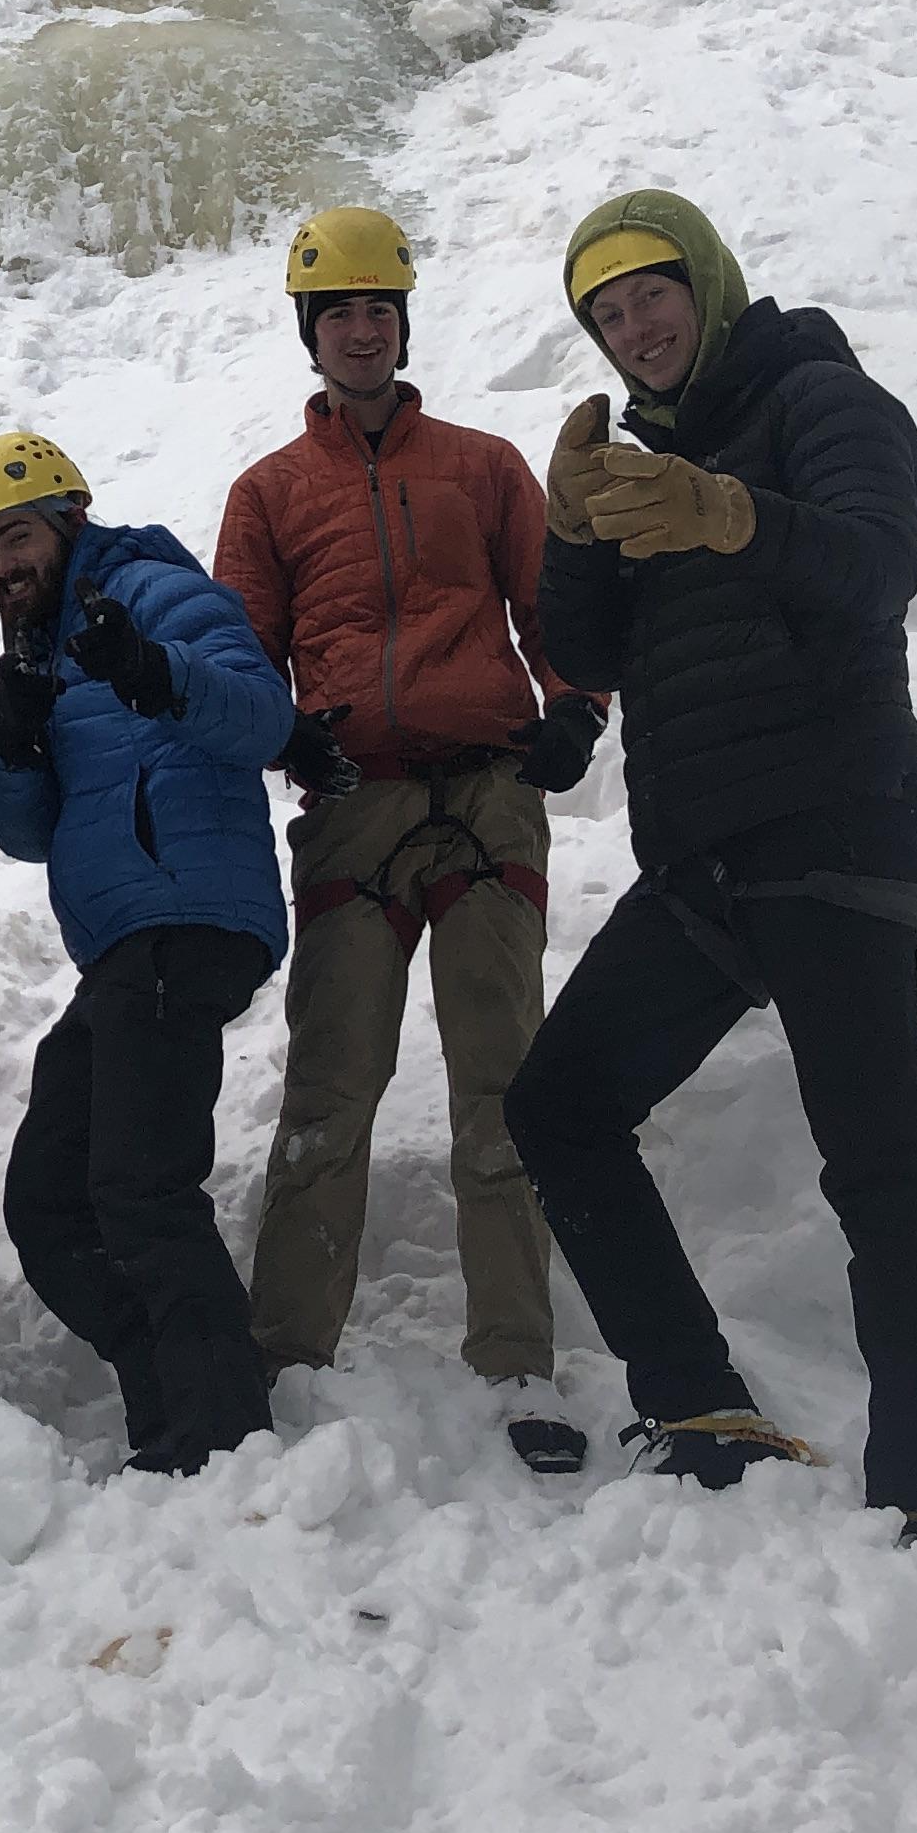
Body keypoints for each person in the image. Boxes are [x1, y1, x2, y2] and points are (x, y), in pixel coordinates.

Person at [501, 193, 917, 1529]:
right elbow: (590, 658)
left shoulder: (822, 398)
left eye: (650, 292)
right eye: (605, 314)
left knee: (876, 1160)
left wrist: (727, 512)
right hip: (704, 868)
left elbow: (878, 561)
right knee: (558, 1107)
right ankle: (696, 1399)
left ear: (707, 281)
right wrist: (578, 528)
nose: (634, 327)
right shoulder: (644, 453)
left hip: (831, 835)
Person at [214, 207, 610, 1474]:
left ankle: (518, 1358)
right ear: (310, 334)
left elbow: (556, 610)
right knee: (332, 1089)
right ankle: (286, 1352)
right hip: (353, 802)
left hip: (488, 792)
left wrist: (575, 711)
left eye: (380, 308)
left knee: (507, 1085)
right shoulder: (271, 492)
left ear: (404, 321)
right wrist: (287, 740)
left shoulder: (485, 466)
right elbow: (239, 650)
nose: (363, 329)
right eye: (340, 313)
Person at [0, 433, 297, 1476]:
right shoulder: (39, 648)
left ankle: (222, 1437)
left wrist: (153, 671)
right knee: (49, 1203)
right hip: (120, 948)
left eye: (16, 535)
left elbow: (262, 714)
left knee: (142, 1188)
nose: (3, 563)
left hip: (187, 912)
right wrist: (11, 739)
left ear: (67, 519)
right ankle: (174, 1400)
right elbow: (25, 833)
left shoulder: (149, 588)